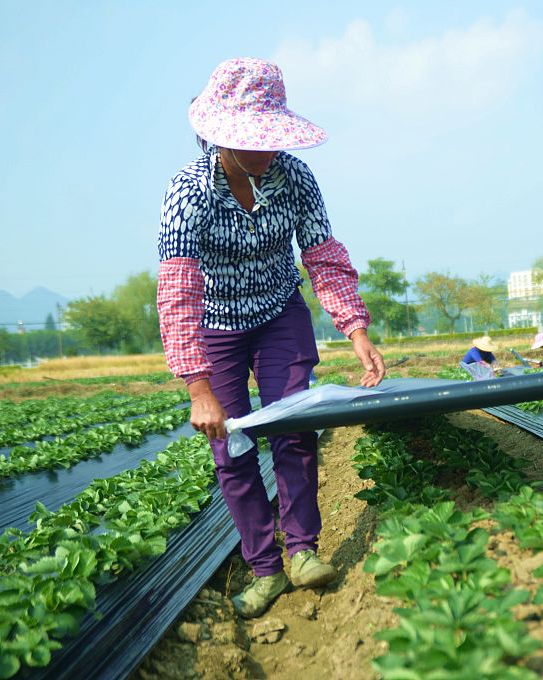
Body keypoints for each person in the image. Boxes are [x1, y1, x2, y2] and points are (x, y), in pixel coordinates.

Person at [157, 58, 386, 618]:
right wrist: (197, 387)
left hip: (281, 312)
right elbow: (178, 294)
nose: (267, 150)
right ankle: (266, 570)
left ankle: (304, 551)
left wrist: (355, 328)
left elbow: (322, 256)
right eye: (253, 139)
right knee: (232, 447)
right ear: (222, 138)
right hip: (216, 329)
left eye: (271, 137)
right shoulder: (188, 195)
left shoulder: (295, 179)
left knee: (293, 427)